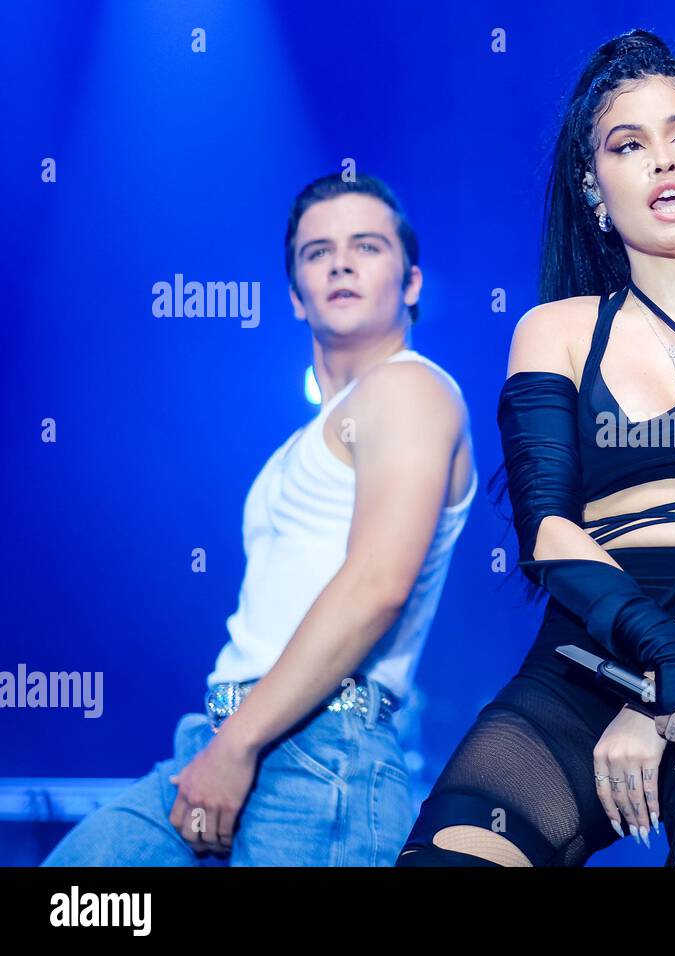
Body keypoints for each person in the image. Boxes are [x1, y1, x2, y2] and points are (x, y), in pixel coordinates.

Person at [396, 30, 675, 867]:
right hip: (586, 661)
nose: (665, 161)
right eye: (628, 145)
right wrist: (664, 665)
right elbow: (548, 531)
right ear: (594, 187)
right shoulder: (552, 331)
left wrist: (665, 695)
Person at [42, 173, 477, 866]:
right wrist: (228, 743)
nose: (340, 262)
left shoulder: (410, 387)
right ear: (295, 296)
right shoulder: (306, 438)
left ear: (412, 282)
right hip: (220, 738)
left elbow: (378, 583)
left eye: (366, 246)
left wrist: (240, 742)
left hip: (320, 748)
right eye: (317, 252)